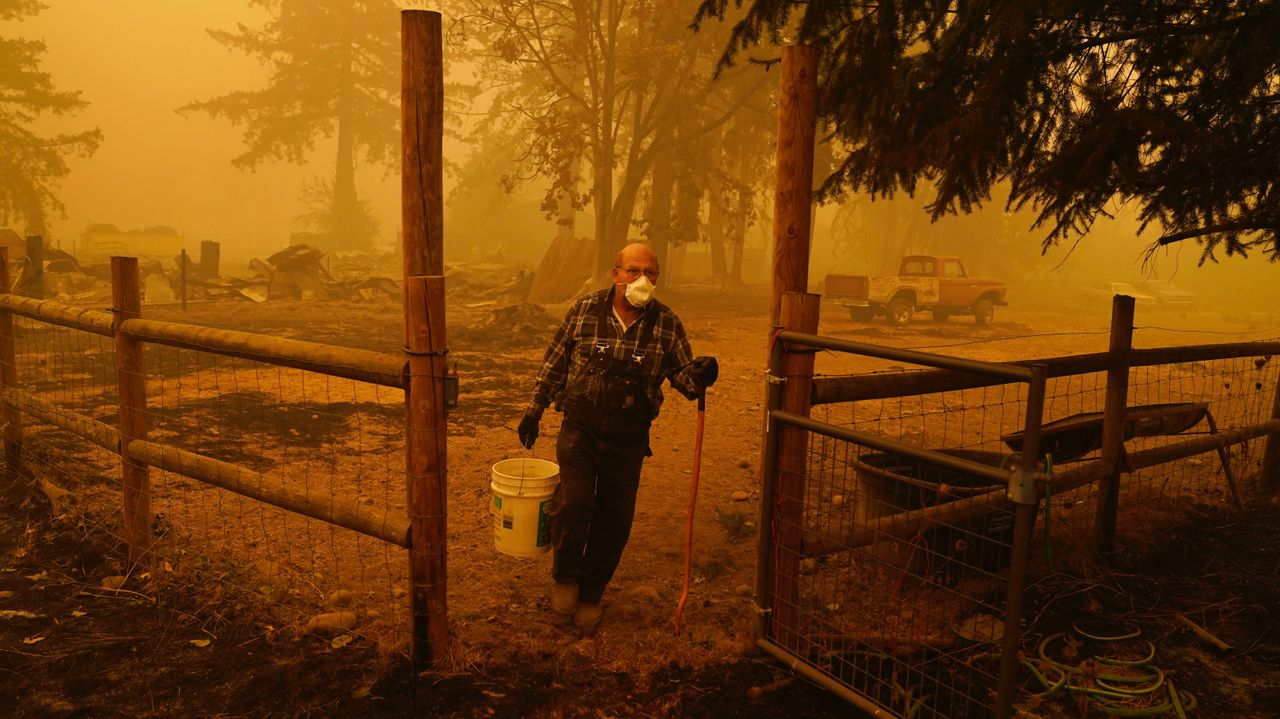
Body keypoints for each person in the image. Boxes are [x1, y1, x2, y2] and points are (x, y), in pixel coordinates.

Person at [517, 242, 718, 630]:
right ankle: (567, 578)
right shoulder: (584, 310)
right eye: (632, 271)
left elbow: (684, 379)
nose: (641, 279)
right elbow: (555, 361)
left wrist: (702, 373)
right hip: (579, 428)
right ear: (615, 274)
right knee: (573, 505)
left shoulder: (666, 323)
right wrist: (534, 410)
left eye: (650, 273)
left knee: (614, 518)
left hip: (628, 437)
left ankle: (592, 593)